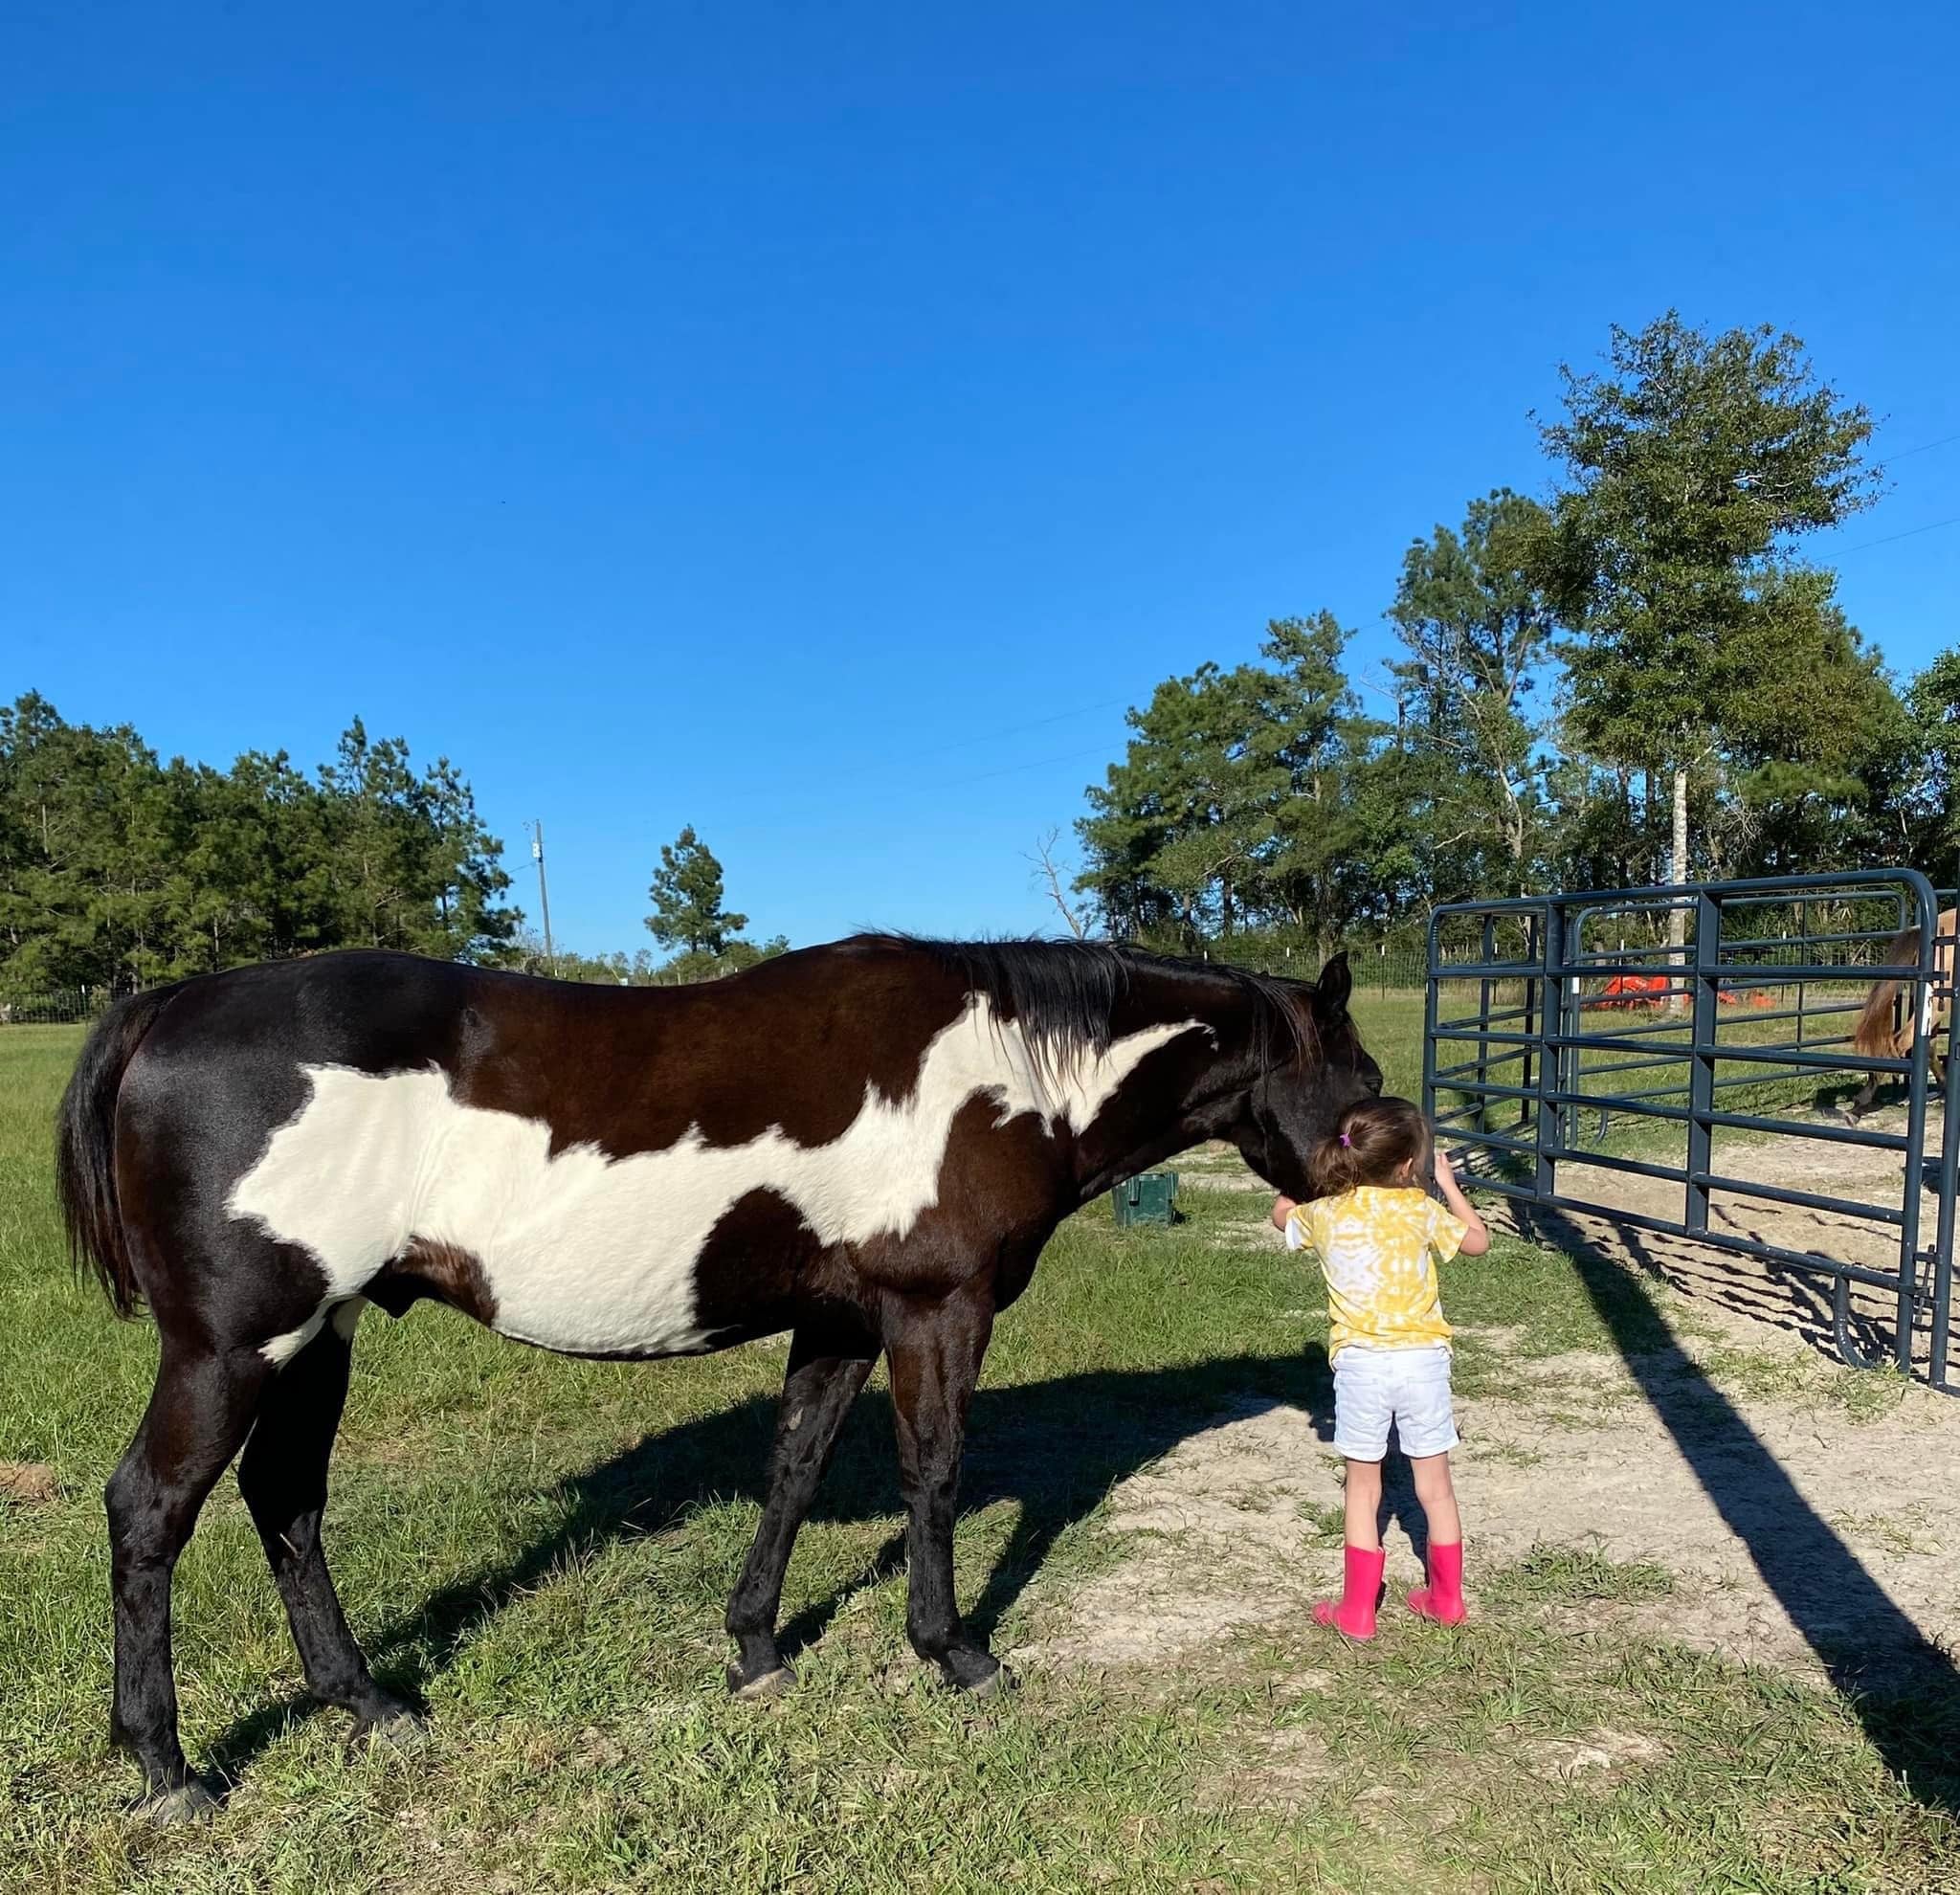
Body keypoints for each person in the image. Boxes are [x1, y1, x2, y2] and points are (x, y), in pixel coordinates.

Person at [1269, 1097, 1489, 1639]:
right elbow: (1479, 1243)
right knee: (1434, 1488)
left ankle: (1358, 1611)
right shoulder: (1420, 1209)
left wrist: (1301, 1179)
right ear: (1408, 1165)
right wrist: (1450, 1187)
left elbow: (1280, 1216)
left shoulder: (1324, 1215)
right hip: (1423, 1363)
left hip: (1361, 1367)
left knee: (1362, 1490)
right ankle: (1446, 1598)